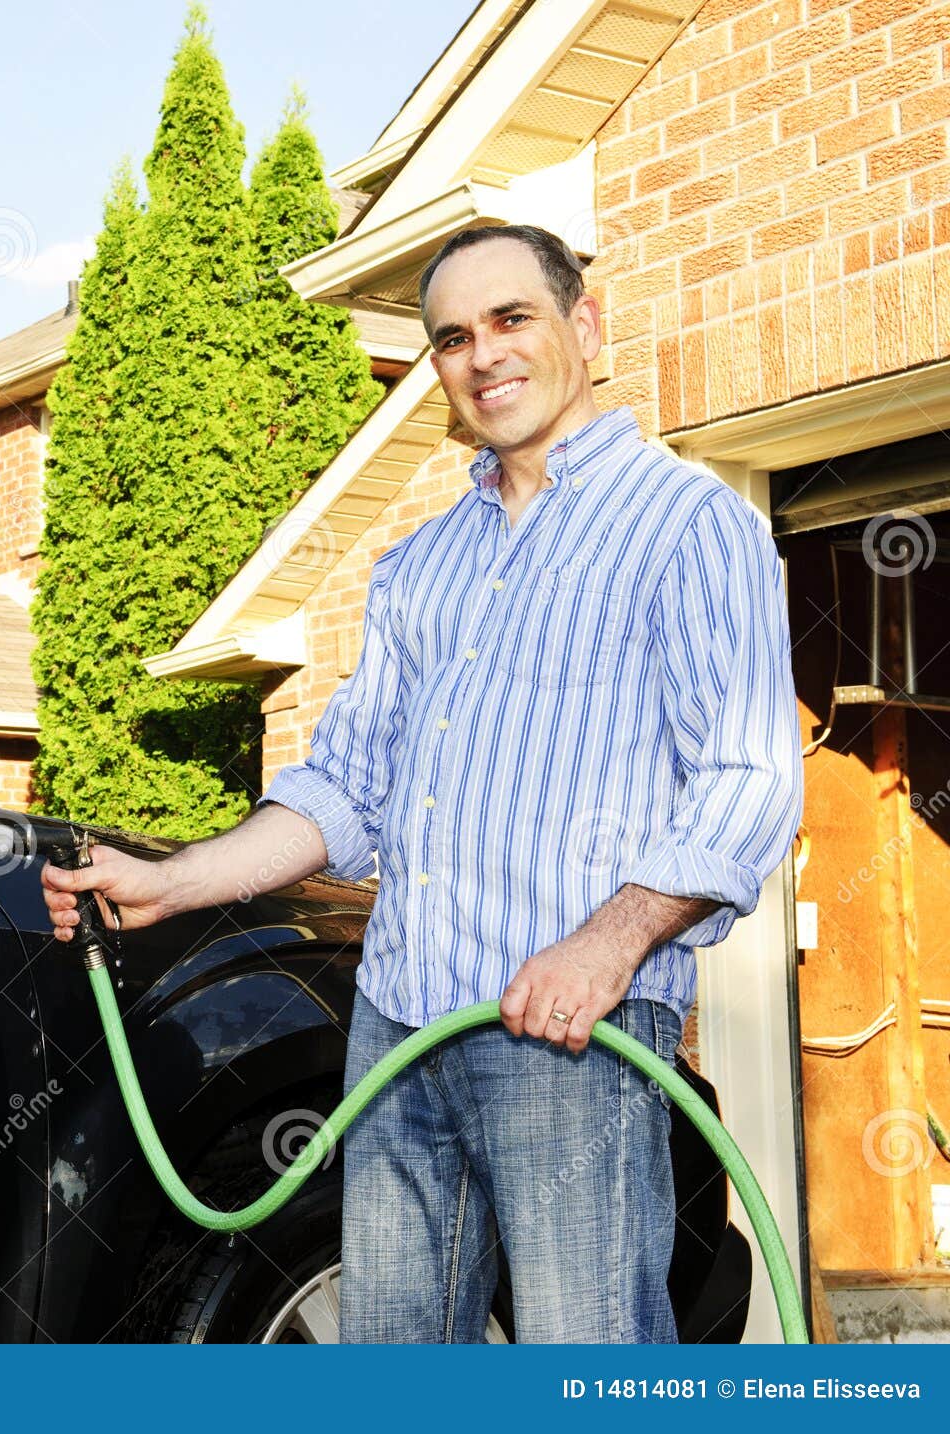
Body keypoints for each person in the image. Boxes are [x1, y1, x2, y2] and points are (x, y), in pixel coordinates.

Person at [39, 223, 803, 1344]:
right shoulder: (419, 564)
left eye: (511, 319)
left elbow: (745, 780)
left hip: (572, 1033)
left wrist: (605, 947)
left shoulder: (688, 527)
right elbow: (347, 788)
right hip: (398, 1028)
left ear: (582, 327)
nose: (482, 354)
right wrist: (177, 879)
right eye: (451, 336)